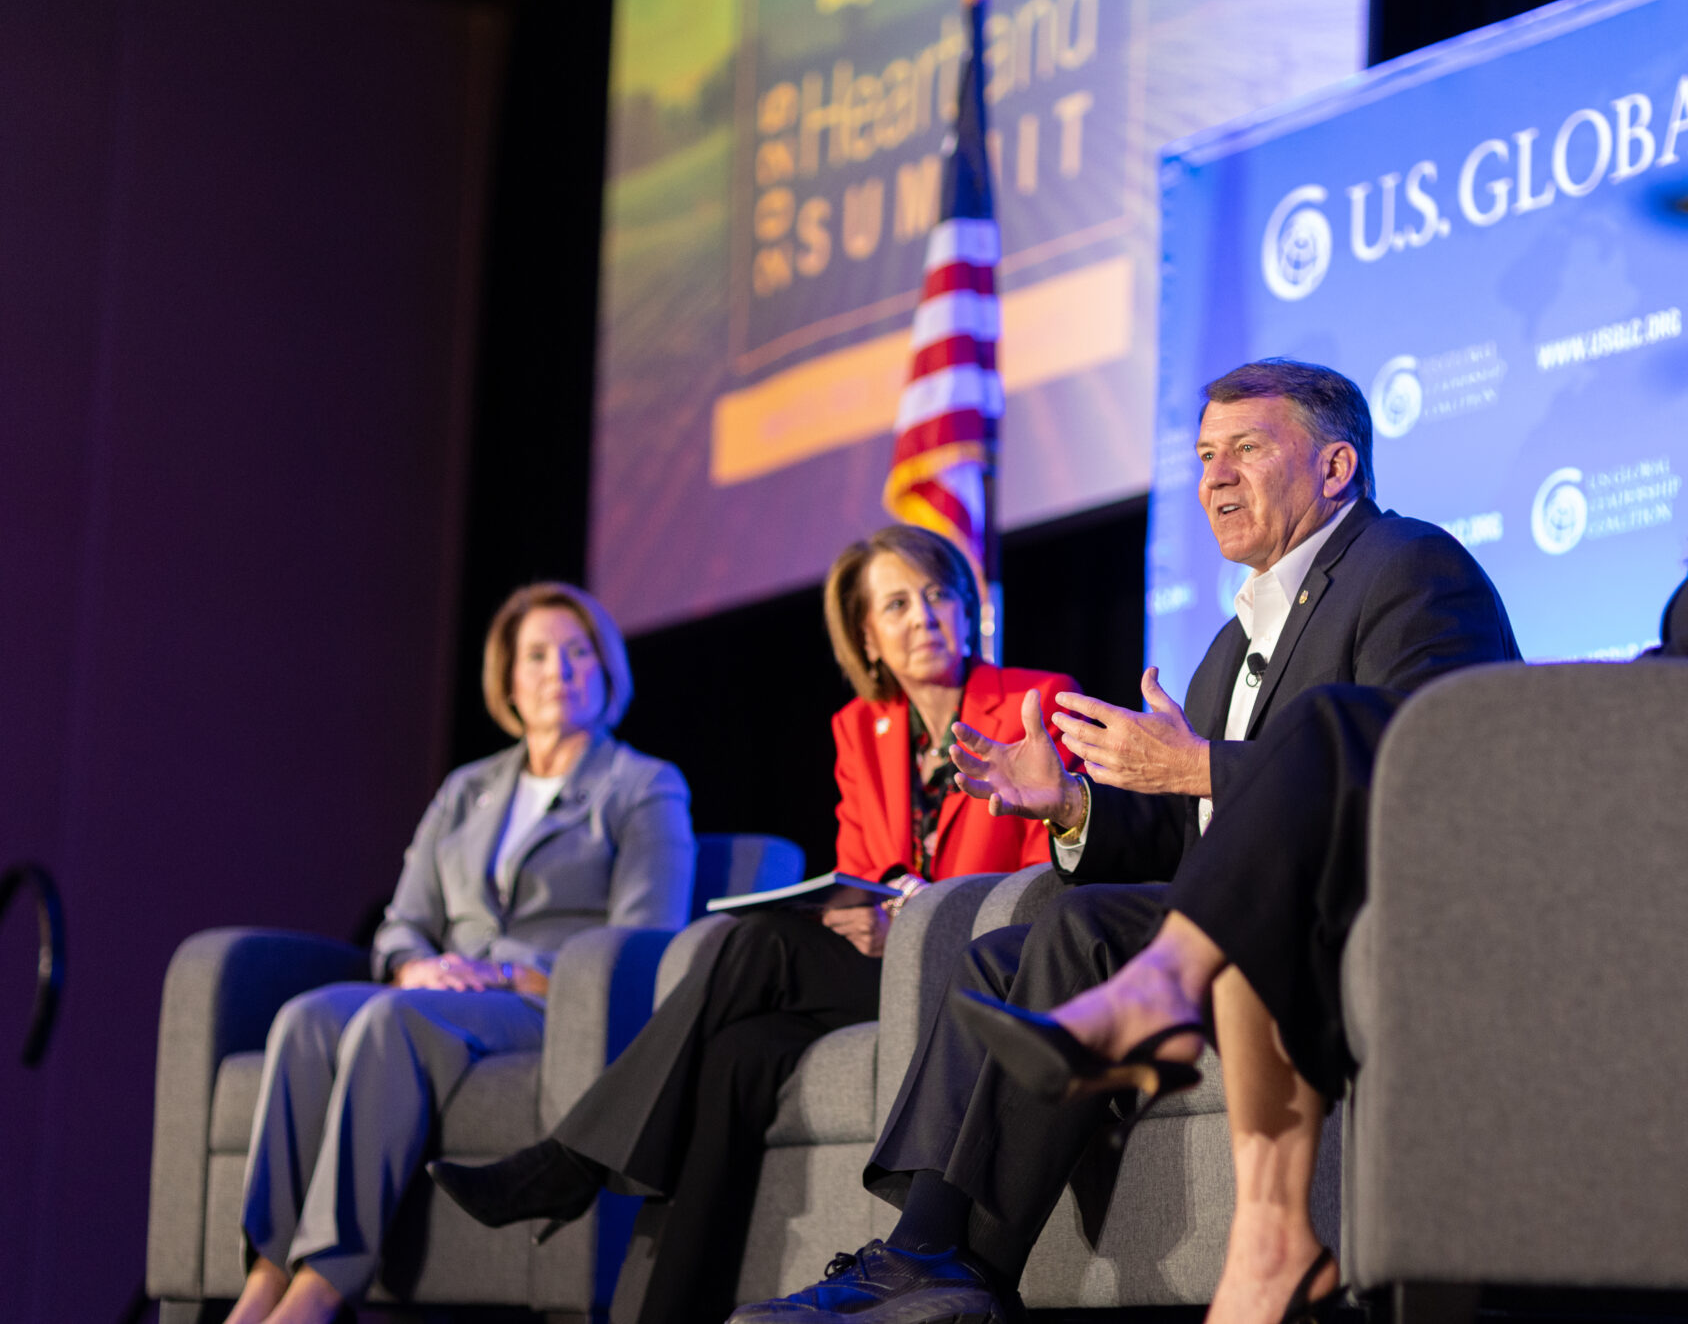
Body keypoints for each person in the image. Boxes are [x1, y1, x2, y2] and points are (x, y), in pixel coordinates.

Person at [961, 221, 1688, 1323]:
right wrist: (1085, 799)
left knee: (1338, 731)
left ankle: (1191, 1076)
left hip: (1679, 824)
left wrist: (1548, 728)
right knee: (1311, 769)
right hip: (1652, 792)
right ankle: (1243, 1218)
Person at [732, 358, 1519, 1324]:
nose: (1215, 478)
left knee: (1081, 931)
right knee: (995, 957)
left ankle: (950, 1267)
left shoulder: (1408, 565)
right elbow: (1190, 829)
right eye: (1204, 456)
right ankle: (926, 1253)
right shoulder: (1233, 640)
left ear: (1335, 466)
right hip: (1240, 907)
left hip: (1353, 905)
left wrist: (1199, 765)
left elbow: (1427, 756)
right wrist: (1071, 804)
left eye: (1246, 449)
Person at [429, 525, 1080, 1324]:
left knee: (757, 942)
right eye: (897, 604)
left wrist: (919, 913)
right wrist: (871, 908)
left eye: (938, 594)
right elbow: (861, 864)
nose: (923, 616)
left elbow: (1050, 872)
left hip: (976, 964)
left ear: (966, 607)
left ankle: (569, 1162)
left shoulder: (1033, 701)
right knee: (738, 1053)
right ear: (867, 636)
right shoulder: (860, 728)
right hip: (885, 962)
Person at [224, 583, 695, 1324]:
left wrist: (504, 974)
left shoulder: (642, 786)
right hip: (443, 992)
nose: (558, 670)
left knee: (390, 1023)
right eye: (536, 655)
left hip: (548, 1003)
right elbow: (404, 920)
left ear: (607, 671)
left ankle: (320, 1289)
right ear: (508, 679)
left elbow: (644, 945)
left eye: (578, 653)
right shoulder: (466, 789)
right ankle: (264, 1276)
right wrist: (413, 966)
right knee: (306, 1019)